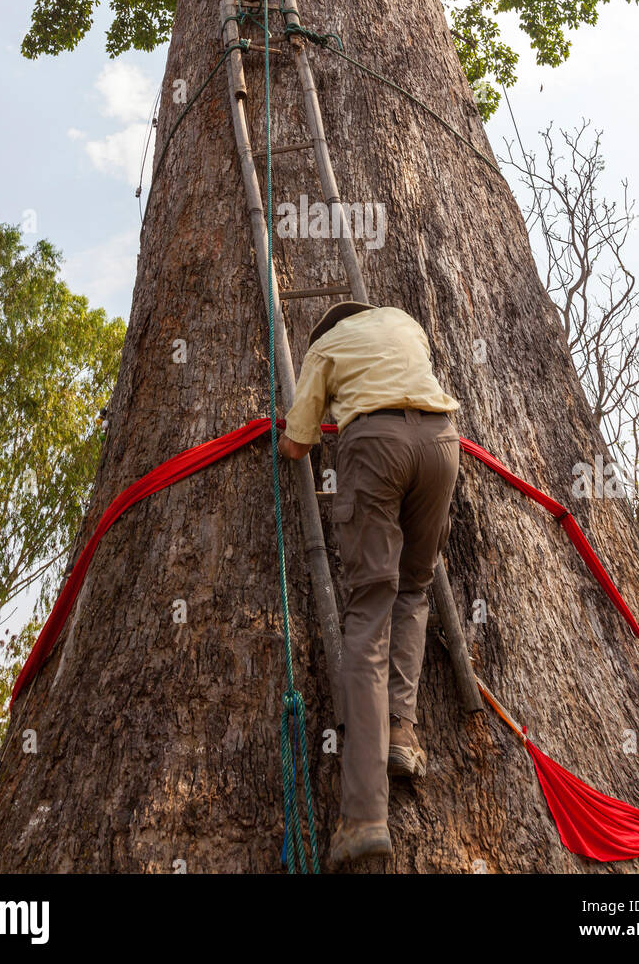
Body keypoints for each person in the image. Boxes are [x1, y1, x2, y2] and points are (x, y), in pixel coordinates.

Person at [278, 301, 461, 868]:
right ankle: (402, 737)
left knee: (367, 615)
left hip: (375, 448)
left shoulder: (323, 348)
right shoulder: (404, 322)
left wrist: (286, 439)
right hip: (441, 445)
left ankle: (362, 817)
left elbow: (300, 440)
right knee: (413, 590)